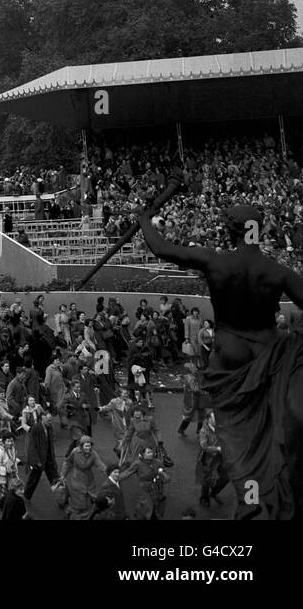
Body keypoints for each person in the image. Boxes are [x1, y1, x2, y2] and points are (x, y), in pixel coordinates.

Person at [140, 194, 303, 519]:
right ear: (260, 230)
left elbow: (161, 248)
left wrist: (145, 218)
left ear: (231, 231)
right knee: (271, 434)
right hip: (272, 356)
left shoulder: (216, 261)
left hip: (230, 362)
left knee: (243, 441)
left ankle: (254, 498)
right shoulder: (278, 271)